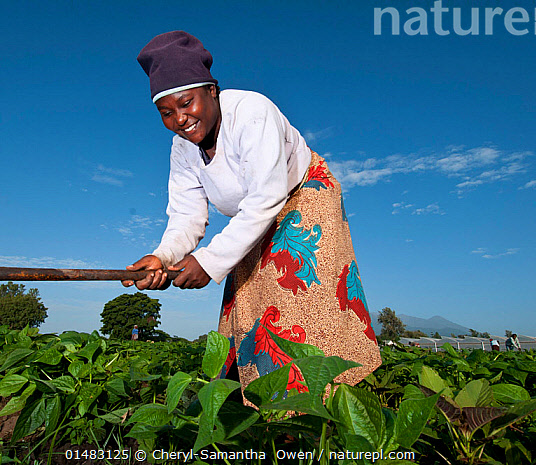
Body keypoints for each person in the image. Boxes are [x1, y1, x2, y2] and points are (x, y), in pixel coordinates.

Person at [124, 31, 381, 398]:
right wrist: (164, 258)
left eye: (187, 103)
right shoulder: (182, 150)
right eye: (166, 112)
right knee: (246, 302)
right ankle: (258, 403)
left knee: (298, 297)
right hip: (254, 214)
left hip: (303, 195)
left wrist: (209, 262)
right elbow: (186, 215)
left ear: (211, 90)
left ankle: (325, 400)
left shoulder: (251, 112)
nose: (180, 119)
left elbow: (267, 196)